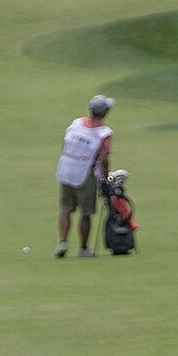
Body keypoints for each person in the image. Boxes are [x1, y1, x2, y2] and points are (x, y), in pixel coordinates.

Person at [56, 95, 115, 257]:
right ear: (103, 113)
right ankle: (83, 249)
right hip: (84, 173)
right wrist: (106, 175)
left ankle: (63, 243)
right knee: (86, 212)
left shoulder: (76, 124)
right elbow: (103, 157)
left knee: (65, 209)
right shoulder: (103, 133)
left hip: (66, 169)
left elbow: (65, 145)